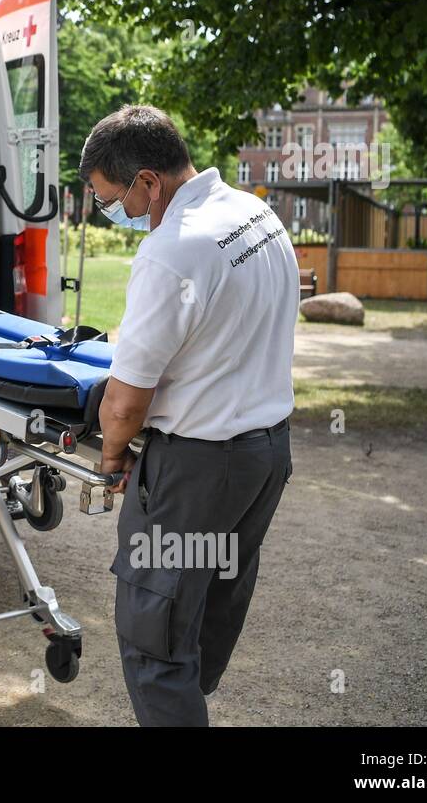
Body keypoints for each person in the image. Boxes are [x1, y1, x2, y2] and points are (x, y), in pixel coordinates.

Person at [80, 105, 299, 726]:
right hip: (263, 459)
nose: (112, 212)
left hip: (199, 468)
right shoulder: (257, 215)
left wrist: (114, 455)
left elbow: (123, 401)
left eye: (110, 198)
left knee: (156, 636)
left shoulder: (171, 251)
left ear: (148, 181)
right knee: (208, 601)